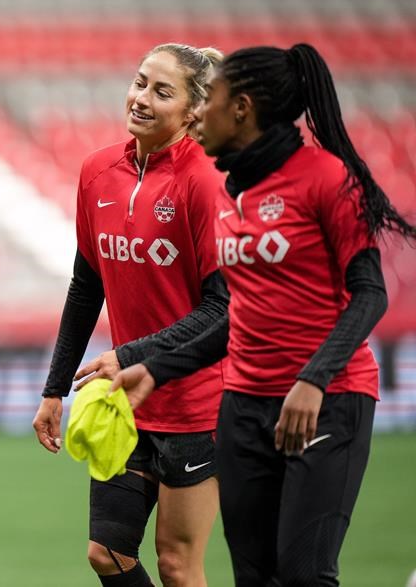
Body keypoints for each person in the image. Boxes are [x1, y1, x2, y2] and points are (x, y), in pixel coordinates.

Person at [112, 43, 416, 586]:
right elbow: (243, 316)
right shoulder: (236, 190)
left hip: (326, 402)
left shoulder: (328, 179)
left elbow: (369, 293)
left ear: (243, 109)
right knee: (255, 578)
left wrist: (313, 380)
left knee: (304, 576)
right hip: (244, 406)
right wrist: (159, 369)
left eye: (212, 100)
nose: (198, 113)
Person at [33, 44, 228, 587]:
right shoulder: (97, 172)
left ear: (193, 111)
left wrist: (130, 354)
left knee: (177, 565)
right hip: (126, 404)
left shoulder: (205, 180)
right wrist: (55, 390)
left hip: (197, 404)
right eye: (141, 82)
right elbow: (84, 286)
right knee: (106, 553)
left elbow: (222, 307)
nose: (141, 98)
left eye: (162, 92)